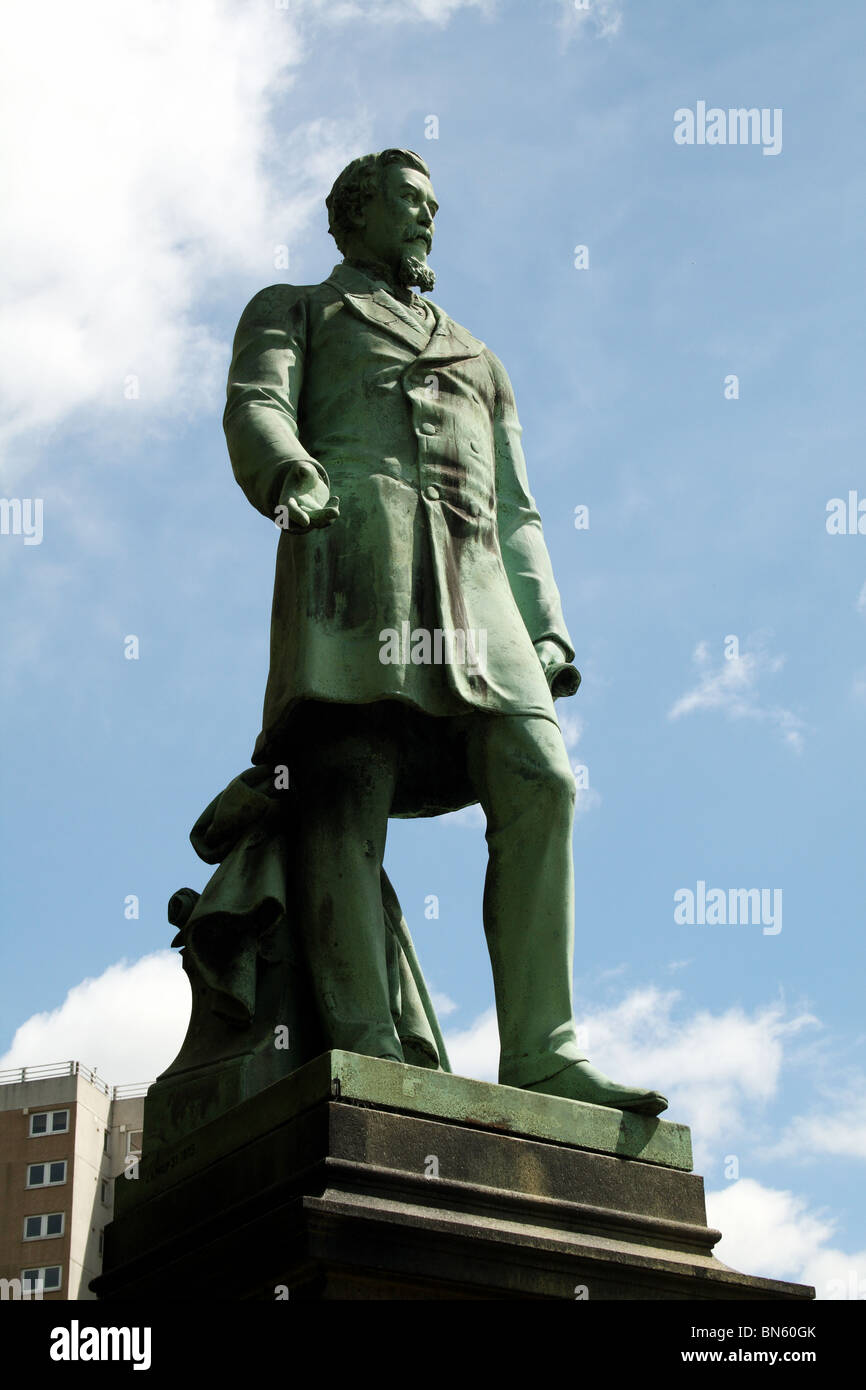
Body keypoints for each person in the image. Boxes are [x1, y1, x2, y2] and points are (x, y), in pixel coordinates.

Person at [221, 148, 667, 1115]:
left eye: (434, 208)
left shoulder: (480, 357)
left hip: (479, 594)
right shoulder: (294, 306)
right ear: (352, 218)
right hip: (358, 562)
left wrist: (548, 626)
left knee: (541, 780)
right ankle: (368, 1045)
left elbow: (518, 508)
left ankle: (544, 1050)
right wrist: (289, 470)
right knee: (349, 787)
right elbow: (257, 403)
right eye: (408, 206)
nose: (427, 222)